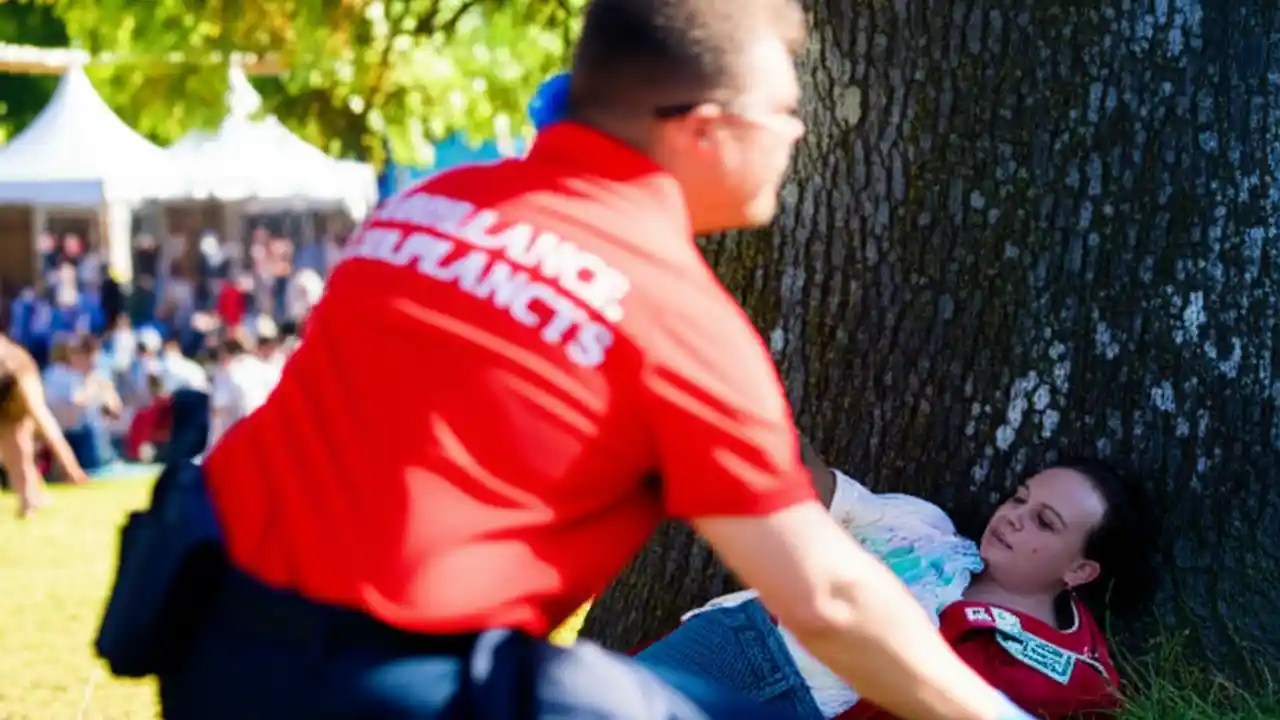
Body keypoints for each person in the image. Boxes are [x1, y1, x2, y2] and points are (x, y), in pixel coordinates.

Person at [155, 1, 1034, 718]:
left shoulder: (425, 209)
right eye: (783, 113)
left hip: (205, 641)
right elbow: (829, 600)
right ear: (703, 130)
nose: (797, 135)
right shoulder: (670, 313)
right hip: (382, 684)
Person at [636, 447, 1148, 719]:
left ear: (1080, 571)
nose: (1015, 516)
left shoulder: (1065, 670)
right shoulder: (926, 530)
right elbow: (819, 489)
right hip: (748, 642)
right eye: (1019, 498)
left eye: (1046, 521)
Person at [0, 334, 90, 517]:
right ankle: (35, 496)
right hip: (13, 365)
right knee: (34, 422)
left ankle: (30, 499)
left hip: (11, 367)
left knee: (14, 439)